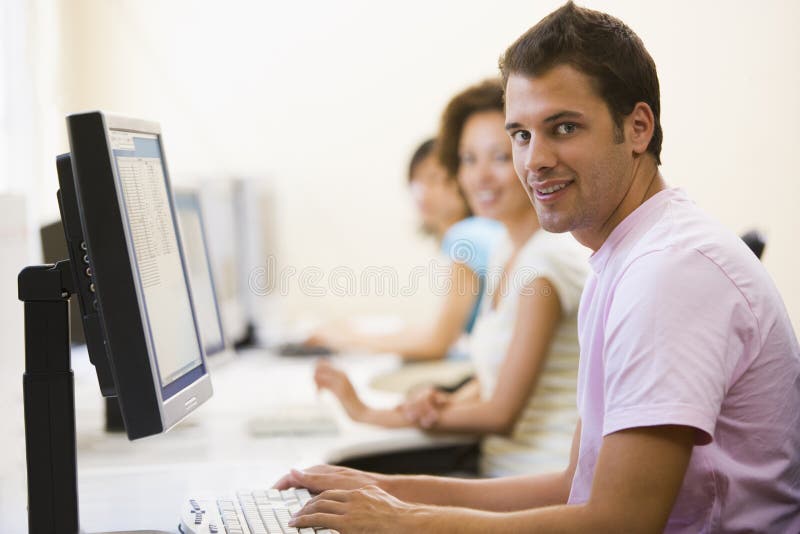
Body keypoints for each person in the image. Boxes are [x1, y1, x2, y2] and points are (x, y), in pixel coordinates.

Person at [277, 2, 800, 532]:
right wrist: (380, 489)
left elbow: (620, 522)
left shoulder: (667, 272)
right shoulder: (622, 259)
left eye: (564, 127)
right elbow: (575, 485)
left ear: (638, 127)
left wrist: (407, 522)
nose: (534, 160)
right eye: (521, 135)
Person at [314, 78, 589, 478]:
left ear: (529, 156)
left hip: (532, 487)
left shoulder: (544, 267)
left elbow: (501, 414)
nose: (480, 178)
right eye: (467, 159)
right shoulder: (506, 250)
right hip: (498, 473)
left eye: (498, 156)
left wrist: (368, 412)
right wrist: (442, 403)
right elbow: (490, 384)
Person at [308, 138, 502, 361]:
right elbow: (441, 331)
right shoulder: (481, 233)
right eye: (416, 181)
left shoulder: (465, 237)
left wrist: (348, 339)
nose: (422, 192)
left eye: (435, 179)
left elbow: (437, 343)